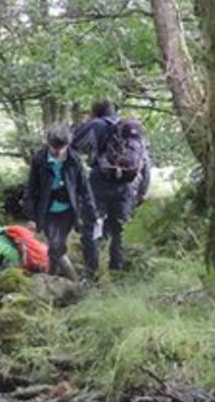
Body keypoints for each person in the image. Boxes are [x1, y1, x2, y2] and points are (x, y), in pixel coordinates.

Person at [75, 105, 152, 277]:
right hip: (125, 185)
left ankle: (90, 273)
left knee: (92, 224)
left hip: (99, 181)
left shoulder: (96, 125)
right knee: (120, 227)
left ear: (96, 112)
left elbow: (73, 146)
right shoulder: (131, 128)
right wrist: (142, 191)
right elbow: (145, 161)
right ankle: (117, 271)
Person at [23, 125, 89, 281]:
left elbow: (84, 188)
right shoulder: (39, 160)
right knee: (56, 247)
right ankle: (75, 281)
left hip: (69, 210)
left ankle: (50, 276)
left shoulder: (74, 159)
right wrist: (31, 216)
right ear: (47, 143)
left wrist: (91, 212)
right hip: (47, 211)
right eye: (54, 147)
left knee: (55, 247)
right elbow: (31, 189)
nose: (58, 151)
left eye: (62, 147)